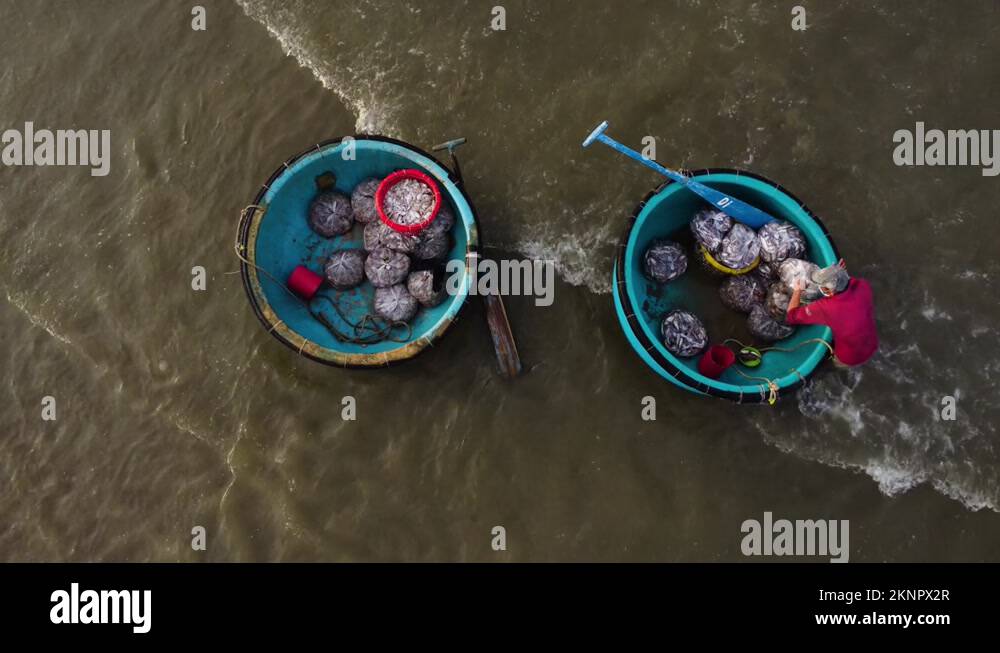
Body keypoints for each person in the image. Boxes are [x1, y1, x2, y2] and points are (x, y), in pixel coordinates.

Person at [785, 260, 878, 367]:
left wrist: (797, 291)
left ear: (830, 291)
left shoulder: (826, 308)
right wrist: (836, 271)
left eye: (822, 287)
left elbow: (791, 316)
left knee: (838, 363)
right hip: (871, 343)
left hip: (850, 356)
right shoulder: (863, 285)